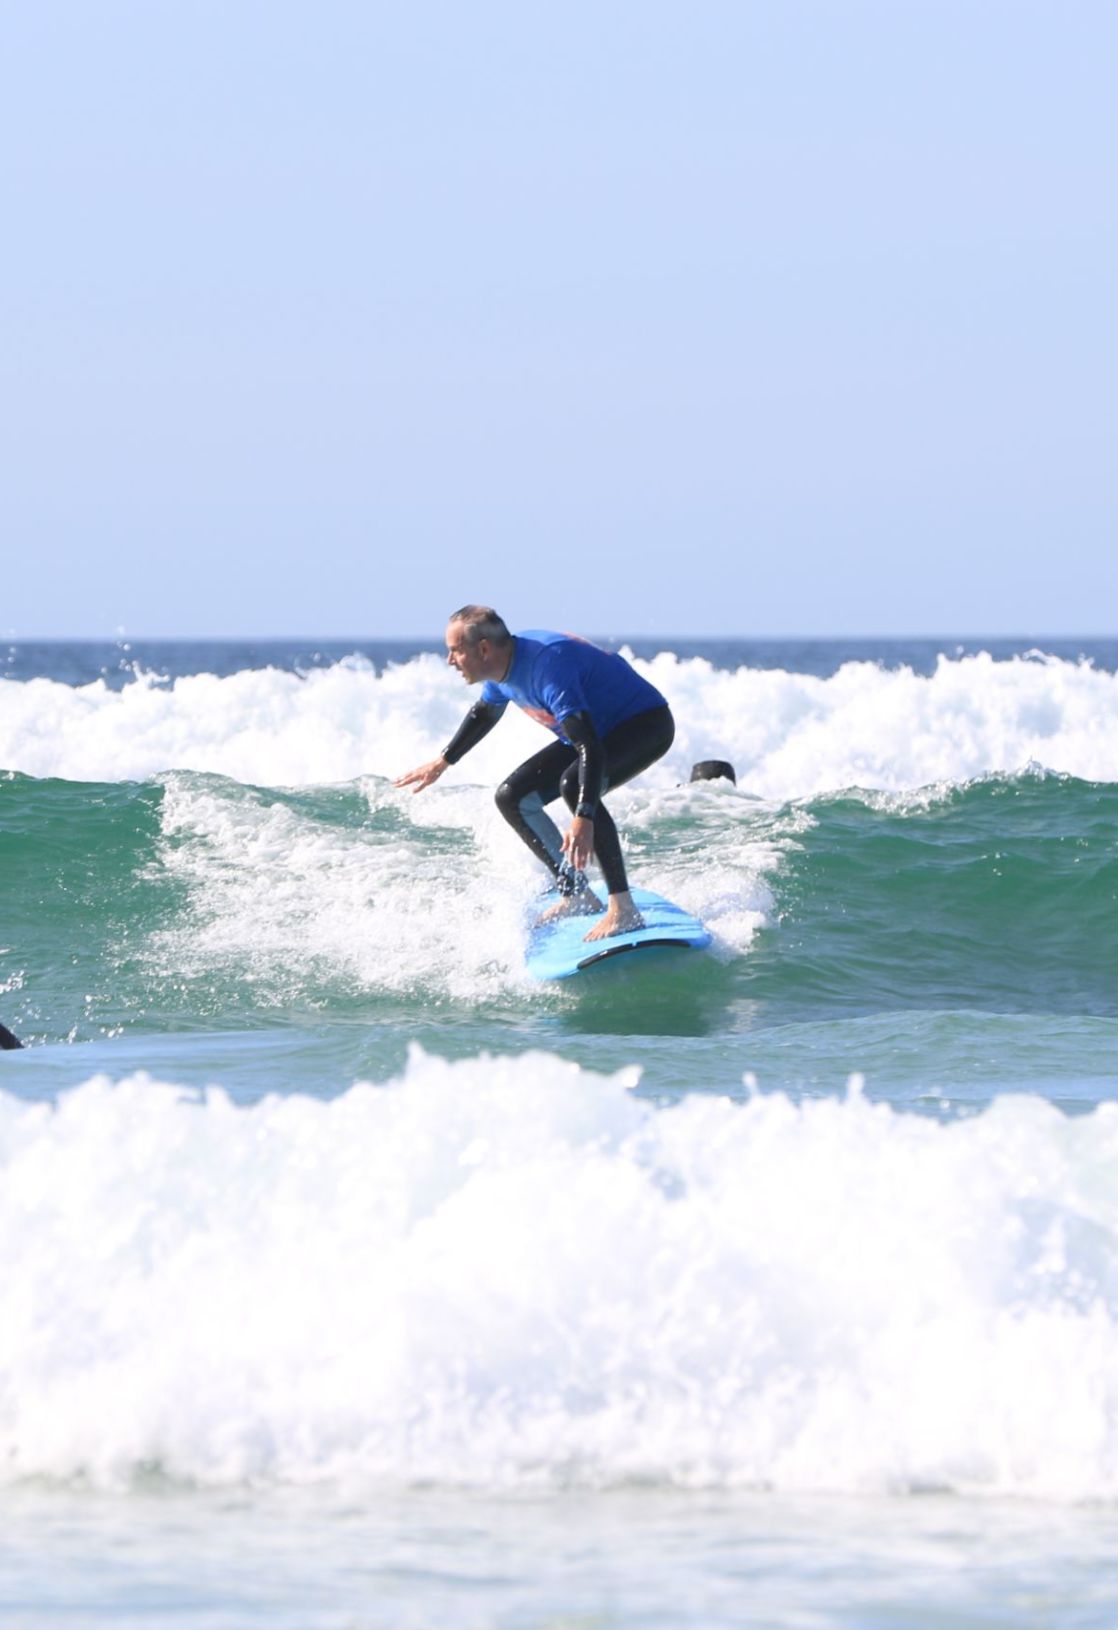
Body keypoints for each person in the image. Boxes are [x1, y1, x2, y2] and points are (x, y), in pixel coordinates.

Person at [394, 606, 674, 941]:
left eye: (455, 650)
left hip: (644, 723)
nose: (450, 660)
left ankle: (623, 910)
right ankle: (577, 893)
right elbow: (484, 712)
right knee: (512, 797)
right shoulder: (502, 667)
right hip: (594, 732)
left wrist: (584, 817)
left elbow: (590, 749)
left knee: (574, 785)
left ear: (483, 649)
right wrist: (443, 762)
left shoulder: (546, 668)